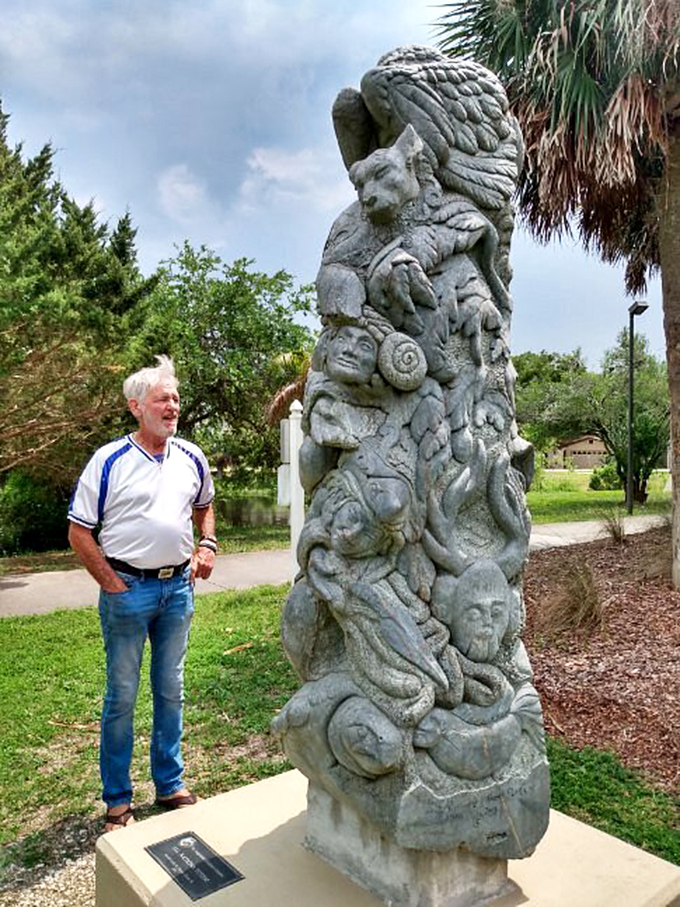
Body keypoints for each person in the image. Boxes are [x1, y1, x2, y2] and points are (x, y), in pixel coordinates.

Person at [68, 356, 216, 832]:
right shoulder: (109, 460)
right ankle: (118, 799)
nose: (172, 406)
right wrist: (112, 584)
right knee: (123, 695)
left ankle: (169, 784)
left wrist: (208, 543)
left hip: (177, 590)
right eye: (162, 399)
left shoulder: (191, 456)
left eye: (175, 398)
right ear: (136, 407)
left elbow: (205, 505)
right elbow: (78, 531)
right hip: (127, 591)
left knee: (170, 689)